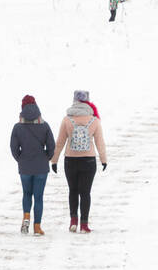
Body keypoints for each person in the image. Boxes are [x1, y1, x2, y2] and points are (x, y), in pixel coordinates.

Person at [50, 89, 107, 234]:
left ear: (74, 100)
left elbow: (60, 142)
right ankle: (84, 224)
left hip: (70, 160)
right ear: (87, 101)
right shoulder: (94, 120)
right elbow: (100, 142)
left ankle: (73, 220)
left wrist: (54, 160)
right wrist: (103, 159)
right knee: (85, 193)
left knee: (73, 191)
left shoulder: (67, 119)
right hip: (88, 161)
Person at [10, 95, 54, 235]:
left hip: (25, 167)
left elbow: (13, 147)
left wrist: (20, 159)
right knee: (39, 196)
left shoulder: (18, 127)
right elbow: (52, 146)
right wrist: (46, 157)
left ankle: (26, 217)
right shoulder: (44, 125)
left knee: (27, 194)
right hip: (41, 167)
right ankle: (37, 227)